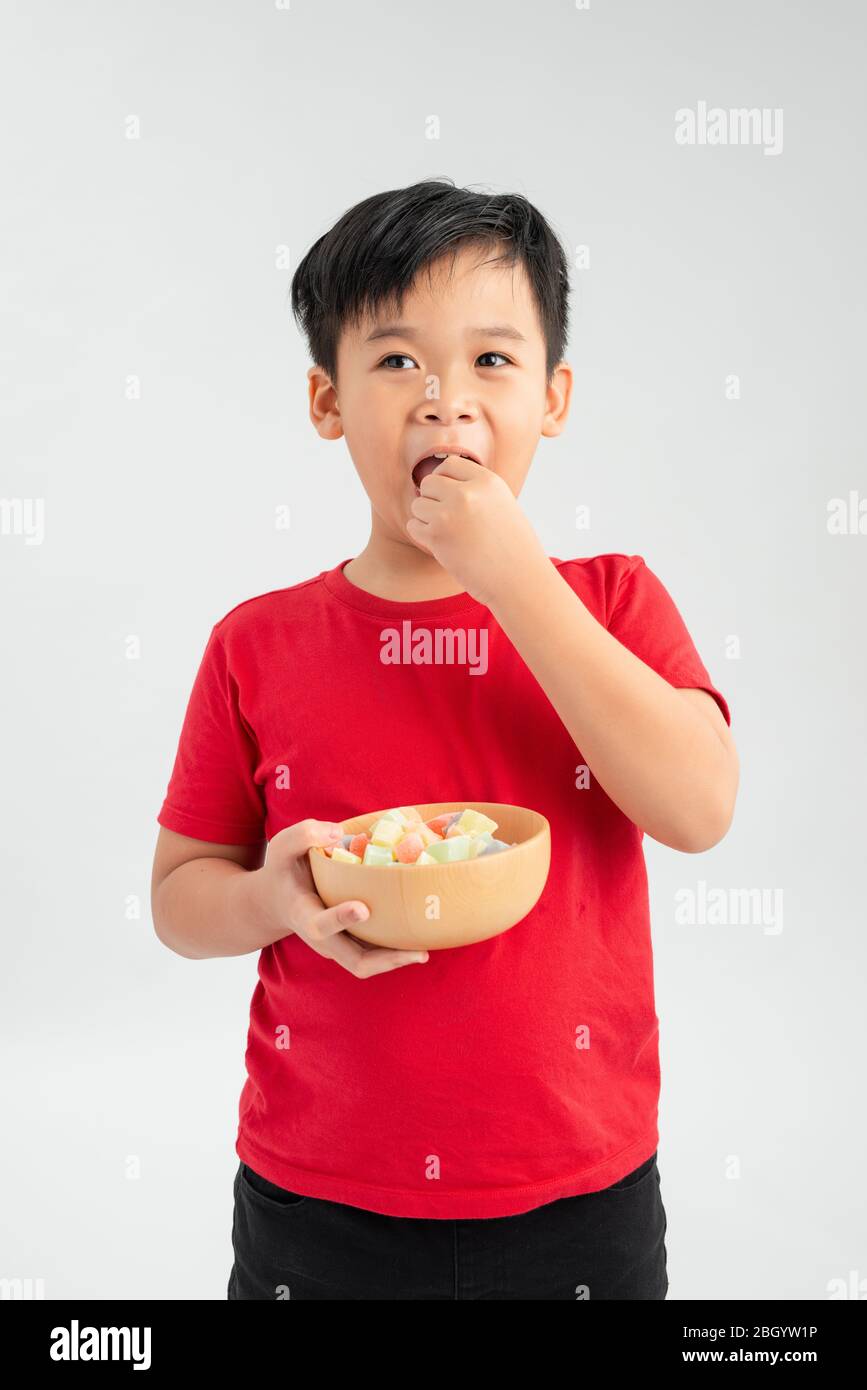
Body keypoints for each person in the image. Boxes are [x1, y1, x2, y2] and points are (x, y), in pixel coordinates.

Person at [151, 178, 739, 1300]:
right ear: (326, 400)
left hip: (579, 1193)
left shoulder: (610, 604)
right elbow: (181, 894)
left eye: (492, 362)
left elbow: (700, 806)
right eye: (397, 362)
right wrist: (271, 900)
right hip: (317, 1201)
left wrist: (515, 579)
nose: (445, 402)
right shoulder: (256, 644)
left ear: (555, 397)